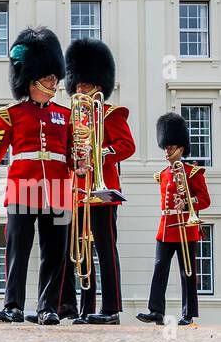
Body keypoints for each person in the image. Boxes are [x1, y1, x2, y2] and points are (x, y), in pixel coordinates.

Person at [0, 27, 75, 326]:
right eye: (48, 78)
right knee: (17, 249)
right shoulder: (12, 114)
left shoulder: (65, 114)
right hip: (23, 186)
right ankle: (13, 304)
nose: (54, 83)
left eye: (55, 78)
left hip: (57, 187)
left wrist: (81, 160)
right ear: (31, 80)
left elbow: (70, 155)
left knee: (54, 253)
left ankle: (48, 308)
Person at [65, 38, 134, 325]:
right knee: (82, 252)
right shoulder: (74, 119)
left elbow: (127, 146)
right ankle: (86, 308)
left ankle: (112, 308)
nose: (79, 88)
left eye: (85, 82)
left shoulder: (110, 114)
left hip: (104, 191)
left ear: (98, 83)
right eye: (77, 83)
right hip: (79, 191)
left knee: (105, 248)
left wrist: (100, 151)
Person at [138, 112, 211, 326]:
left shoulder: (193, 172)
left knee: (187, 271)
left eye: (170, 147)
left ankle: (187, 314)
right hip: (166, 227)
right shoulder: (162, 174)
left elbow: (205, 200)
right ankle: (156, 311)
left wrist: (187, 204)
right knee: (160, 268)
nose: (167, 151)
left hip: (186, 228)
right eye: (166, 147)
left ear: (180, 147)